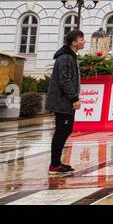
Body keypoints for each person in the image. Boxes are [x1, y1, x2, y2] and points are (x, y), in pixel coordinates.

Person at [45, 29, 84, 175]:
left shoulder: (70, 56)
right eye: (81, 39)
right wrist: (74, 97)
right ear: (74, 42)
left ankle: (57, 163)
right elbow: (64, 79)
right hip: (62, 101)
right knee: (62, 131)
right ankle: (54, 165)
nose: (83, 41)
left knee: (64, 130)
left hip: (64, 100)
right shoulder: (65, 57)